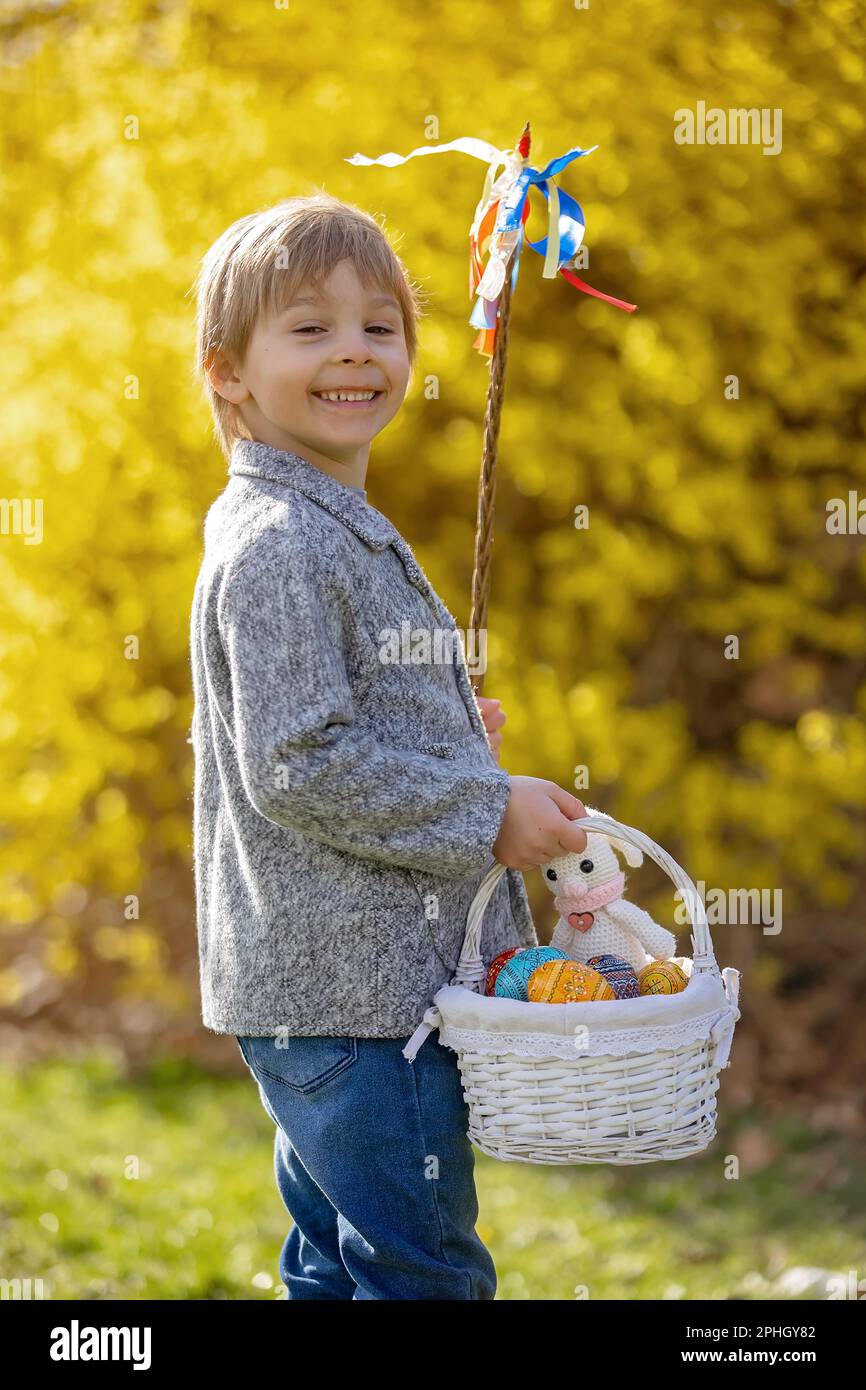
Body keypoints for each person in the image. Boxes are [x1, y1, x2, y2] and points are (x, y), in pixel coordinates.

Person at [189, 192, 589, 1300]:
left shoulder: (321, 520)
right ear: (228, 371)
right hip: (356, 1001)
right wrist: (483, 811)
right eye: (308, 327)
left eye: (379, 324)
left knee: (337, 1267)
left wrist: (450, 732)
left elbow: (339, 723)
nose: (354, 351)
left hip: (331, 999)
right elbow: (299, 762)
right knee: (421, 1273)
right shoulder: (279, 539)